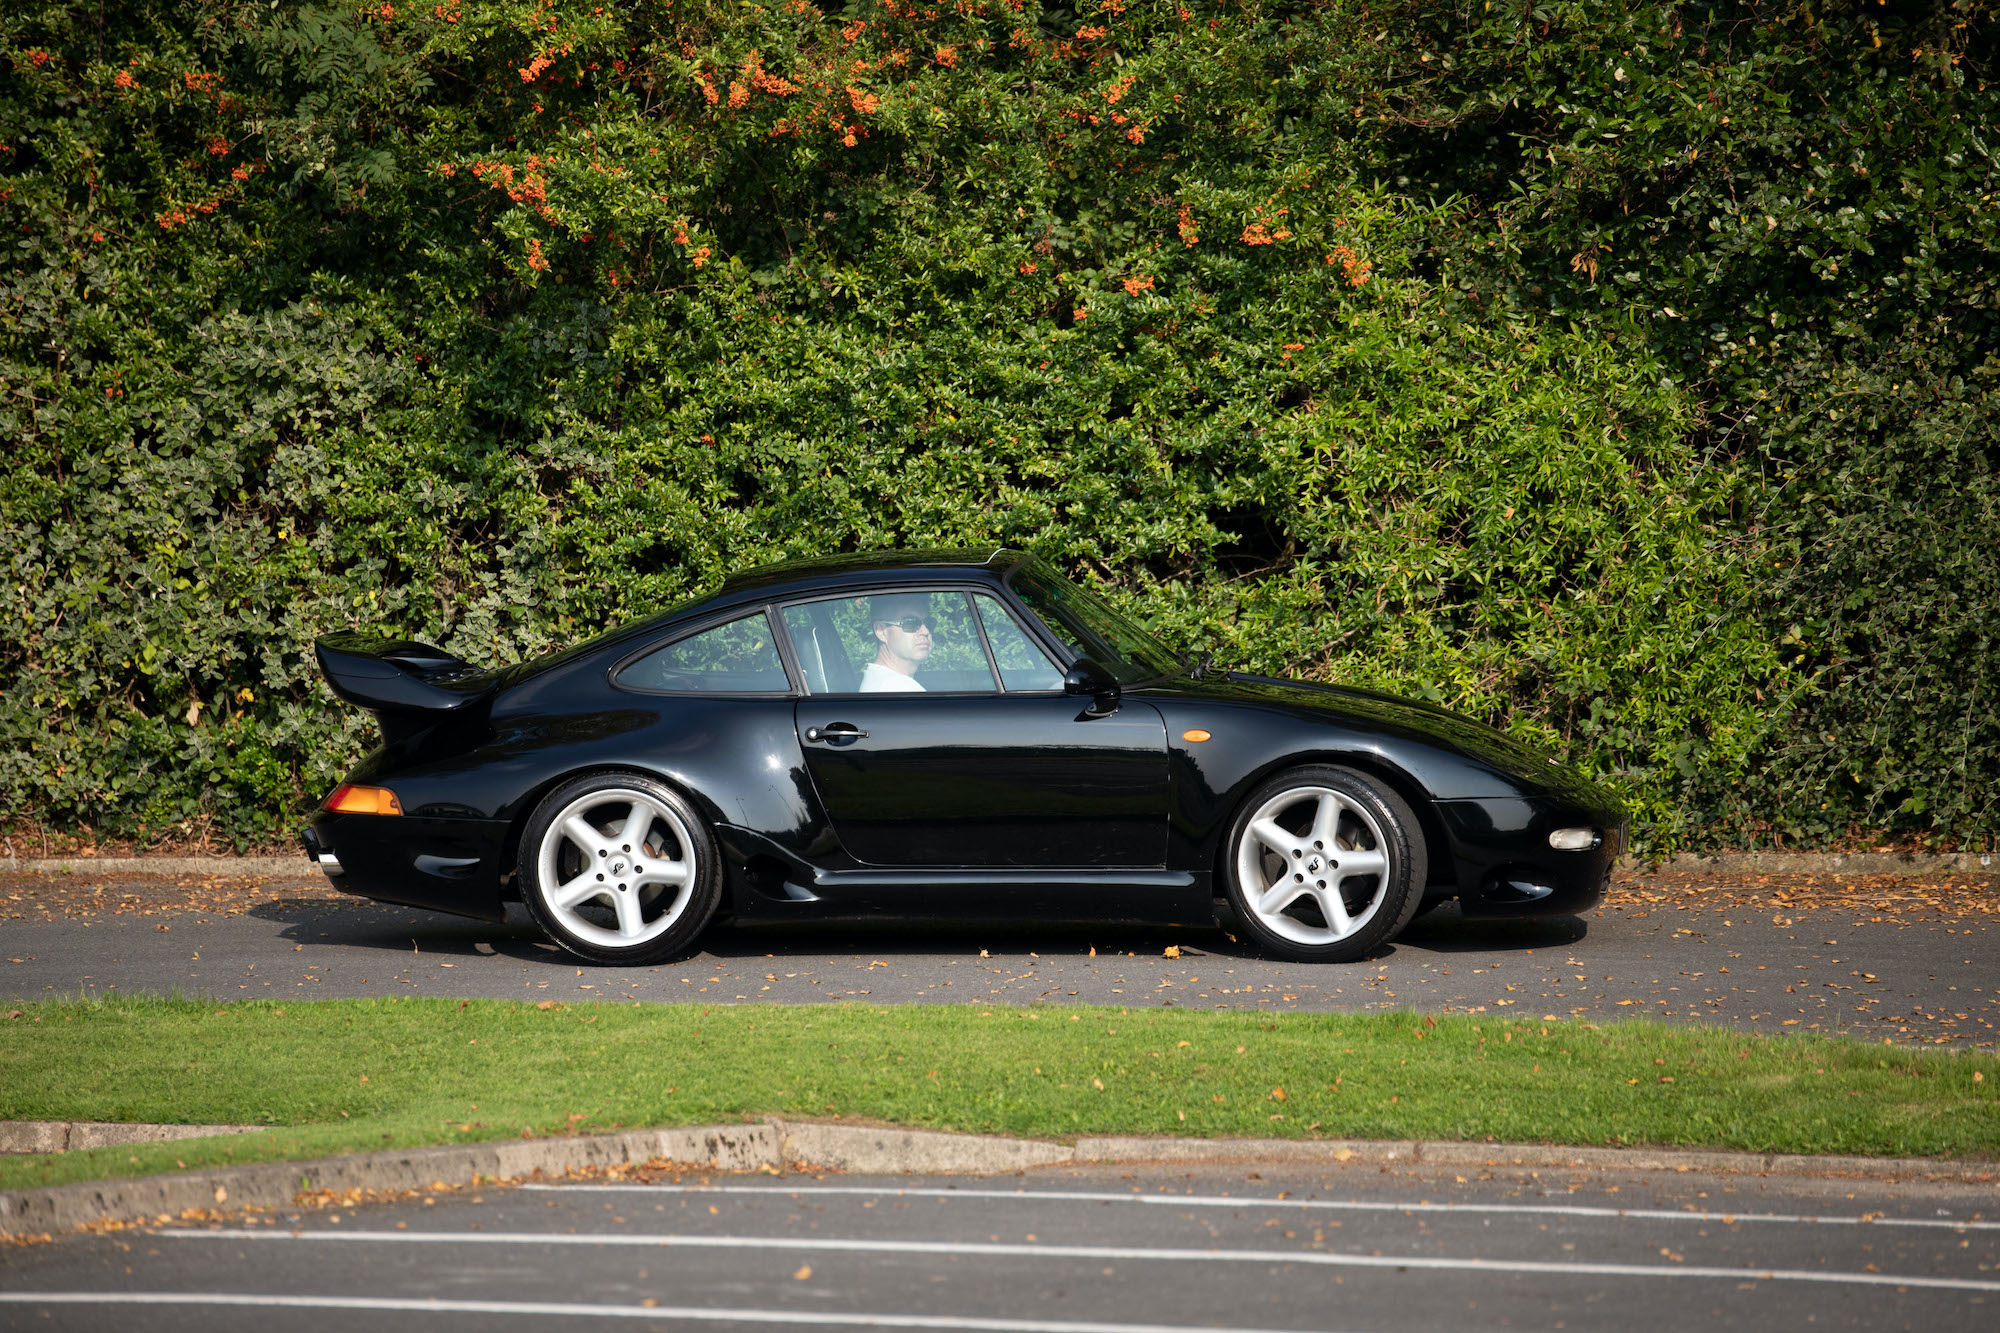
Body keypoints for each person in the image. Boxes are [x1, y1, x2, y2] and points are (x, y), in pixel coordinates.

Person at [859, 594, 932, 691]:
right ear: (881, 631)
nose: (925, 631)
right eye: (910, 623)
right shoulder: (898, 688)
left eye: (929, 623)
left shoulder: (877, 679)